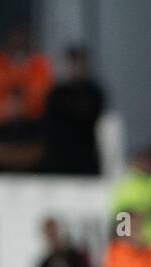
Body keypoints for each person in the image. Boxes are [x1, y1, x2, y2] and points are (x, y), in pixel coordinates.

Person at [42, 46, 106, 175]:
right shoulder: (57, 94)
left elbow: (93, 118)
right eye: (73, 63)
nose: (77, 68)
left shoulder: (93, 92)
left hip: (86, 159)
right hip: (61, 159)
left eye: (80, 63)